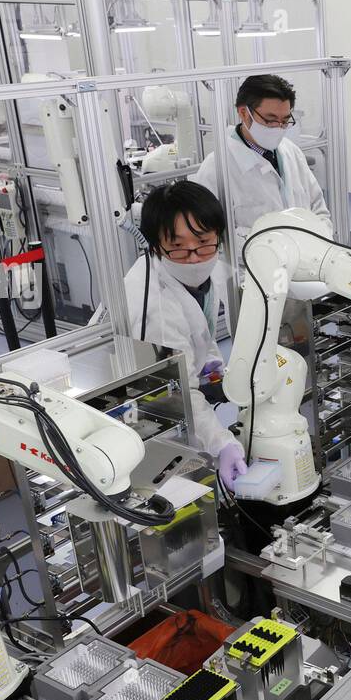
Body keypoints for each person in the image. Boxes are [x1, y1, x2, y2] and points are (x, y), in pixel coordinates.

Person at [119, 181, 247, 490]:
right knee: (166, 488)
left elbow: (202, 328)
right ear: (154, 246)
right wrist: (222, 444)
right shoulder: (156, 306)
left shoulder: (205, 268)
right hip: (143, 410)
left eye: (203, 243)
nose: (193, 257)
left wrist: (212, 364)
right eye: (177, 247)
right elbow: (180, 395)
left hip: (173, 389)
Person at [193, 73, 332, 239]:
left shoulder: (291, 152)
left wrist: (321, 242)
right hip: (252, 263)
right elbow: (213, 236)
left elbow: (318, 209)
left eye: (285, 120)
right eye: (270, 120)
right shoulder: (215, 169)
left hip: (305, 257)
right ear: (244, 113)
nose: (279, 128)